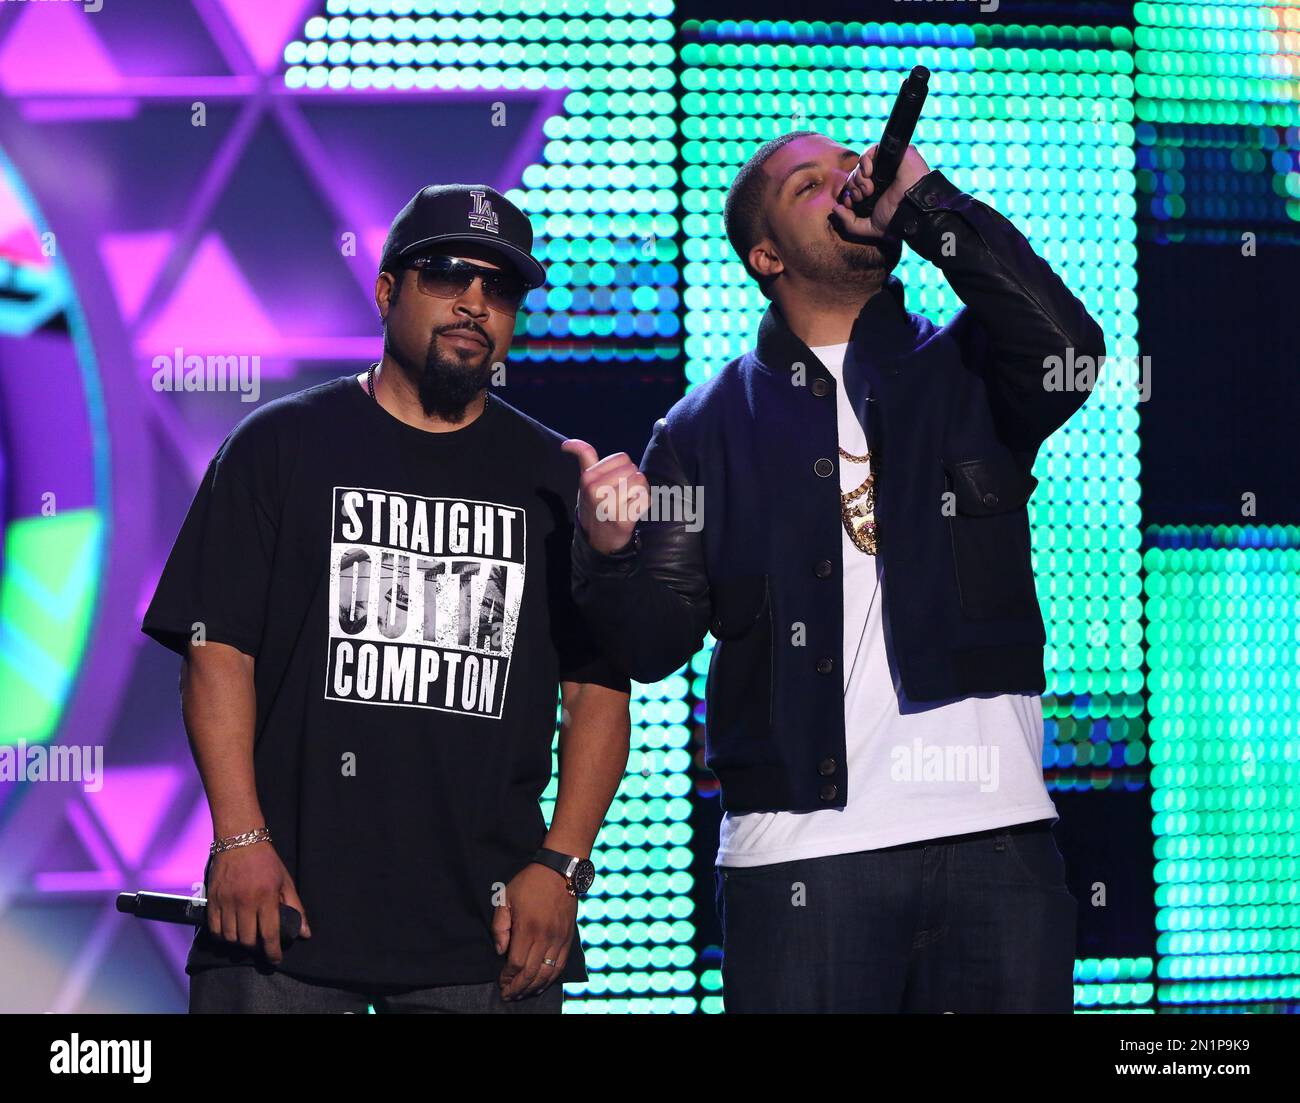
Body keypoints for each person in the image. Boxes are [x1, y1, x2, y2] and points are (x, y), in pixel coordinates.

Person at [564, 132, 1105, 1012]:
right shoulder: (699, 432)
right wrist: (607, 546)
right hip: (800, 861)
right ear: (765, 254)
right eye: (809, 183)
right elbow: (652, 640)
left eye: (852, 165)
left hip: (995, 841)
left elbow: (1072, 352)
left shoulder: (968, 368)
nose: (848, 181)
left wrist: (930, 206)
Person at [143, 184, 631, 1013]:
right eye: (446, 274)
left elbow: (597, 692)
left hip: (488, 939)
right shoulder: (279, 445)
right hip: (282, 921)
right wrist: (240, 837)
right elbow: (215, 650)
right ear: (386, 290)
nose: (475, 302)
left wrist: (561, 866)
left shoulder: (556, 481)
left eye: (500, 287)